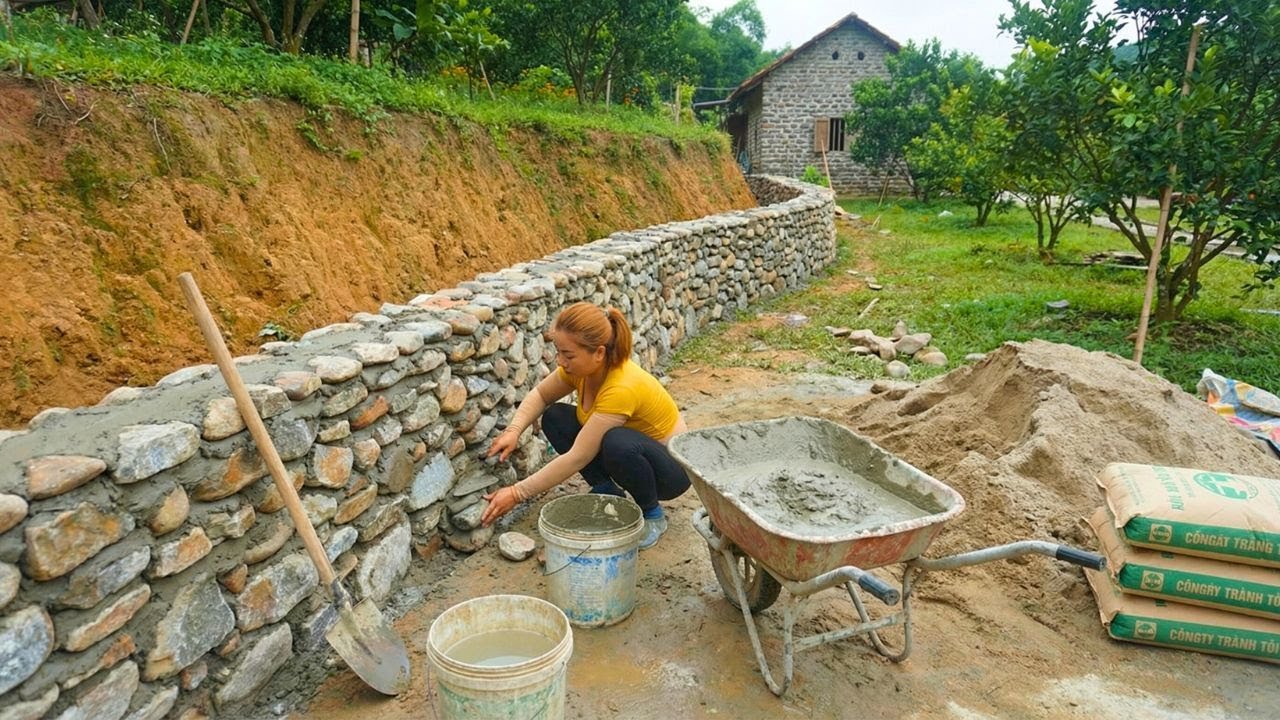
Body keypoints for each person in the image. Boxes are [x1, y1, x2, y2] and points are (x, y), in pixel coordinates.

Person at [480, 301, 690, 549]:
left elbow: (579, 456)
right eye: (558, 352)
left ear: (599, 353)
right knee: (555, 417)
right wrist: (513, 431)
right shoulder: (581, 370)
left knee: (617, 442)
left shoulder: (621, 387)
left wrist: (517, 493)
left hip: (671, 471)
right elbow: (541, 395)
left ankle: (652, 514)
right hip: (635, 455)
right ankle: (606, 490)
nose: (560, 361)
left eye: (568, 355)